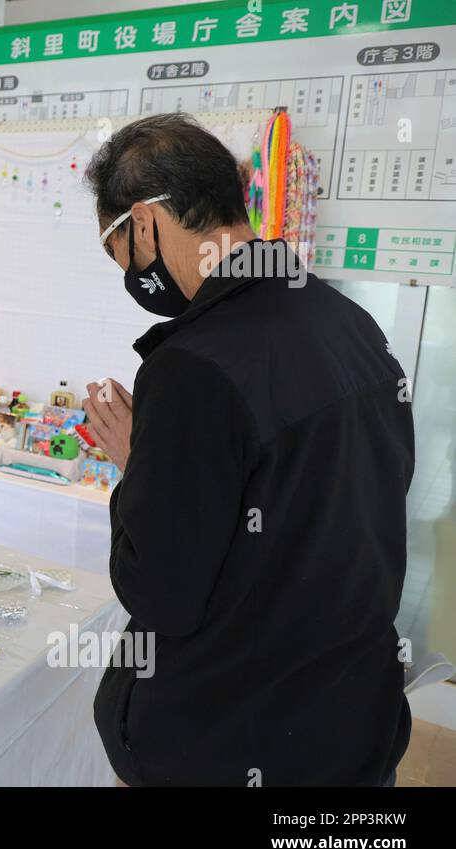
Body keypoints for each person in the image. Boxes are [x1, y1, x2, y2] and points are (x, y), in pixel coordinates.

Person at [80, 113, 414, 786]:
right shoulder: (348, 323)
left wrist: (138, 465)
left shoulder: (194, 366)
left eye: (120, 251)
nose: (130, 272)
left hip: (231, 740)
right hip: (351, 725)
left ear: (144, 223)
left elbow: (162, 592)